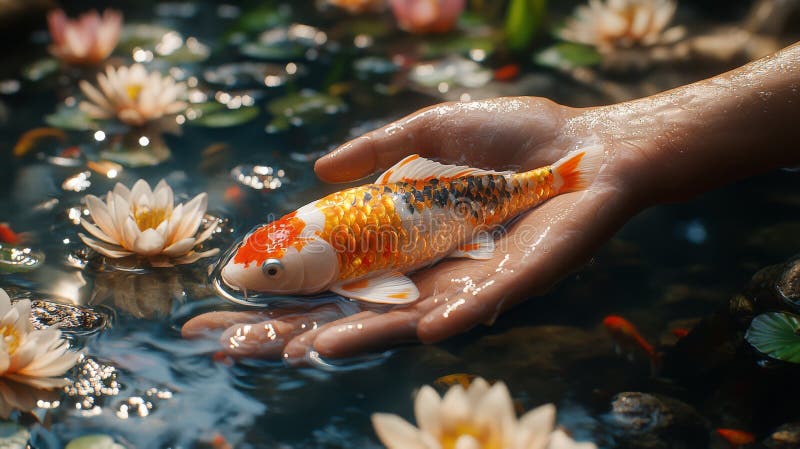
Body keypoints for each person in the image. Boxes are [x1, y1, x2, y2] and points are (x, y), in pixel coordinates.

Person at [182, 41, 800, 362]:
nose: (262, 276)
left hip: (468, 202)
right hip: (456, 206)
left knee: (547, 183)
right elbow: (390, 288)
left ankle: (563, 176)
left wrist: (611, 150)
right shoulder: (333, 253)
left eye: (271, 270)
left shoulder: (350, 268)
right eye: (269, 267)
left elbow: (388, 288)